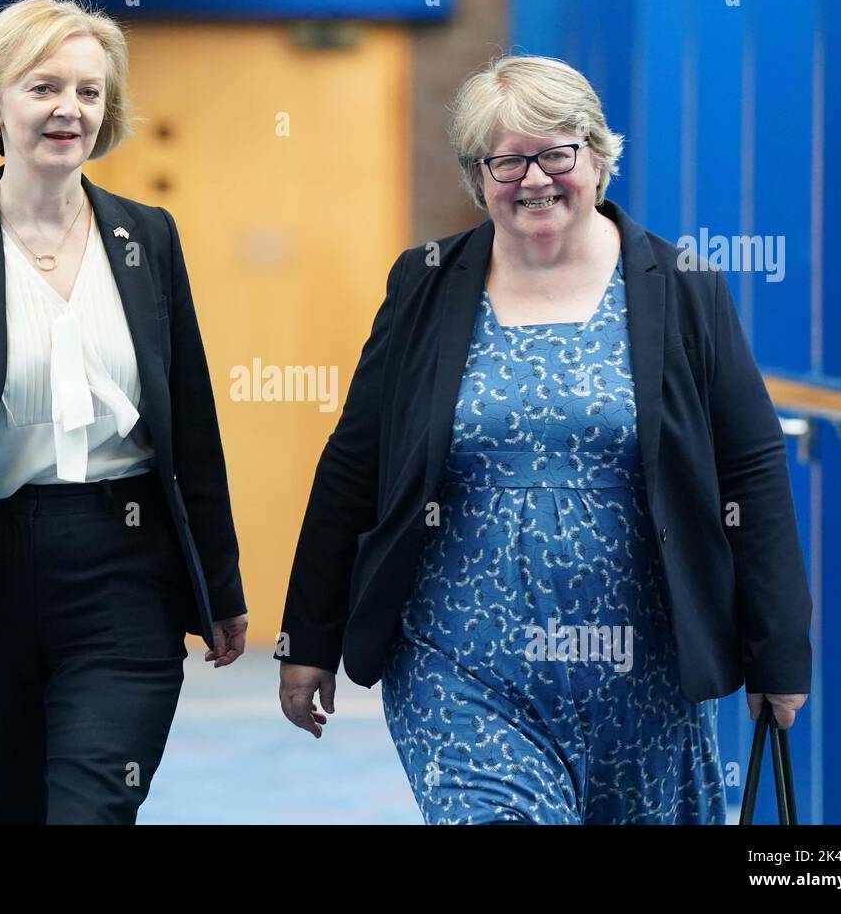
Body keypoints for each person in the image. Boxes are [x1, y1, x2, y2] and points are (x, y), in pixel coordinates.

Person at [275, 54, 811, 824]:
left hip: (643, 670)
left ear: (596, 157)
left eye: (556, 153)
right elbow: (354, 465)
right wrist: (308, 637)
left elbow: (750, 470)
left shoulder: (685, 284)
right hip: (461, 664)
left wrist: (777, 649)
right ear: (477, 175)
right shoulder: (424, 283)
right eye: (506, 160)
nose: (533, 178)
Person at [0, 0, 248, 824]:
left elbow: (193, 422)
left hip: (125, 568)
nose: (70, 108)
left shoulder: (150, 238)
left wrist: (221, 584)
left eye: (90, 91)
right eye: (43, 88)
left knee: (92, 809)